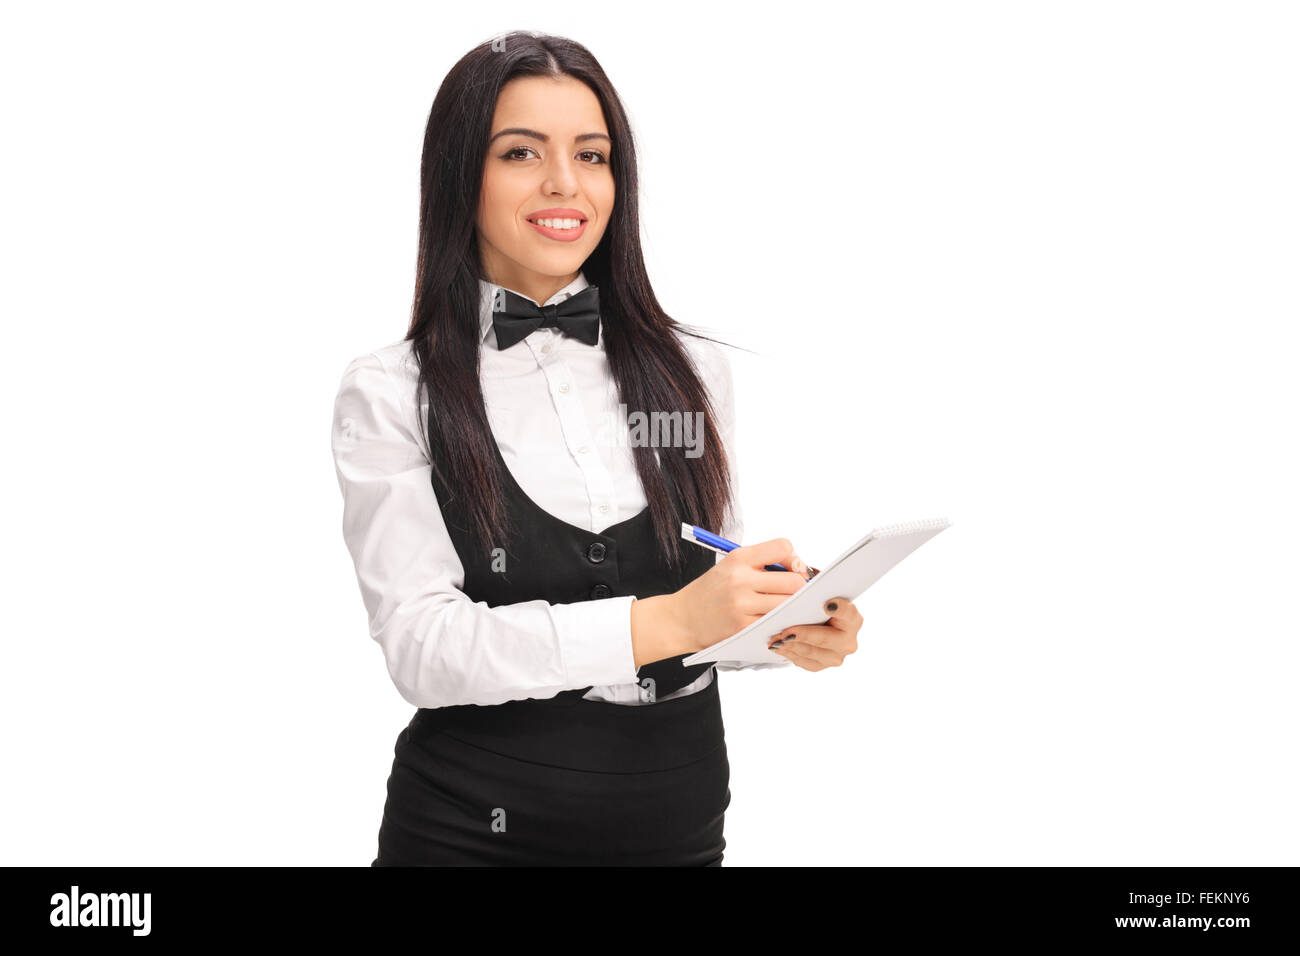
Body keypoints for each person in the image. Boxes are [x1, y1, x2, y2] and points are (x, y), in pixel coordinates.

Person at [330, 31, 864, 866]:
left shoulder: (692, 371)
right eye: (520, 153)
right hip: (473, 831)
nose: (564, 185)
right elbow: (423, 650)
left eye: (592, 154)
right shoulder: (394, 390)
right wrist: (665, 620)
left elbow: (700, 587)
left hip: (676, 821)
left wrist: (783, 628)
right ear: (458, 174)